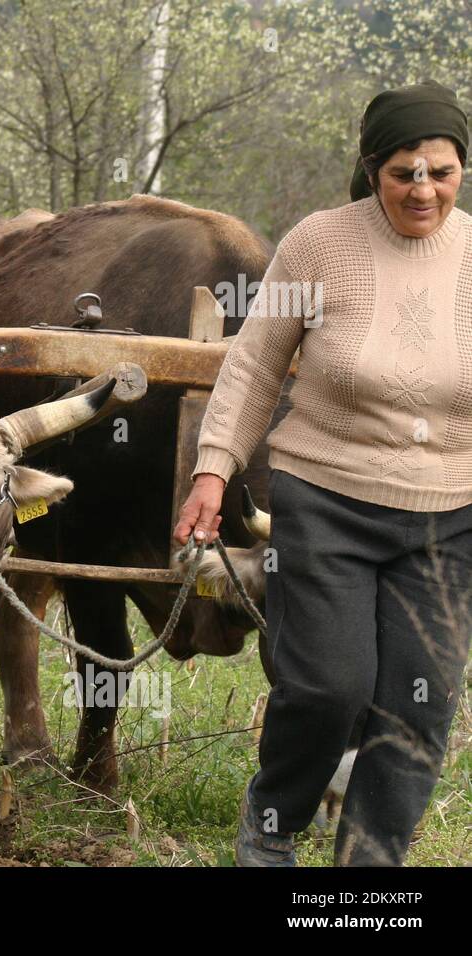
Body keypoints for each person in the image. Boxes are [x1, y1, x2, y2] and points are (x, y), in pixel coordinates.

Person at [173, 80, 472, 866]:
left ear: (461, 170)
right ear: (373, 168)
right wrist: (213, 472)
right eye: (405, 171)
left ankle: (369, 871)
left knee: (422, 701)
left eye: (440, 172)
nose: (422, 189)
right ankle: (271, 830)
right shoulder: (319, 244)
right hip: (329, 498)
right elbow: (253, 366)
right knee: (330, 687)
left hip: (450, 515)